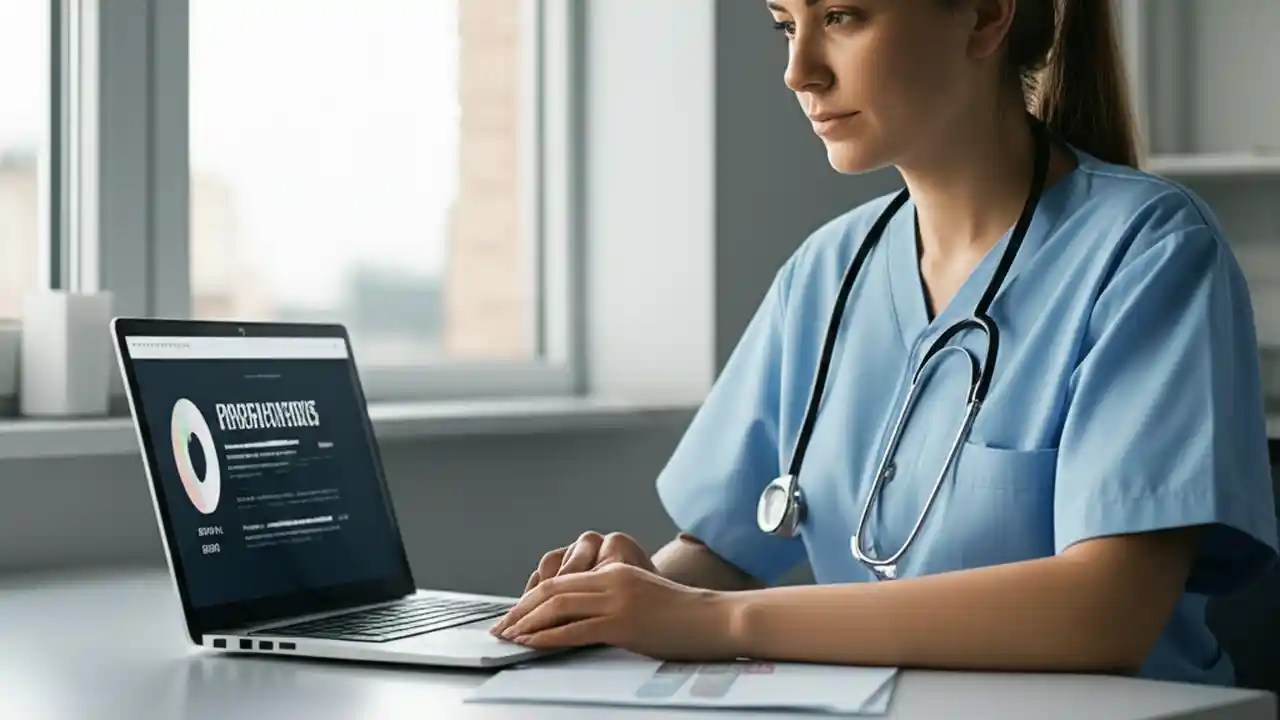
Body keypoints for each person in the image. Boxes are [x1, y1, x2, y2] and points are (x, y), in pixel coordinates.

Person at [490, 0, 1279, 685]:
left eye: (841, 18)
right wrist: (627, 595)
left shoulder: (1148, 251)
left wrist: (713, 622)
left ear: (985, 15)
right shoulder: (827, 271)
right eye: (783, 25)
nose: (800, 71)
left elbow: (1106, 613)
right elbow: (724, 552)